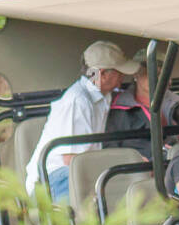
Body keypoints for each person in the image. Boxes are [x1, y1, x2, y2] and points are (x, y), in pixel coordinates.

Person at [24, 40, 139, 200]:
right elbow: (72, 161)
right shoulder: (78, 101)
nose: (123, 76)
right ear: (102, 74)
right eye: (118, 72)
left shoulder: (103, 96)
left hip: (74, 174)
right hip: (51, 181)